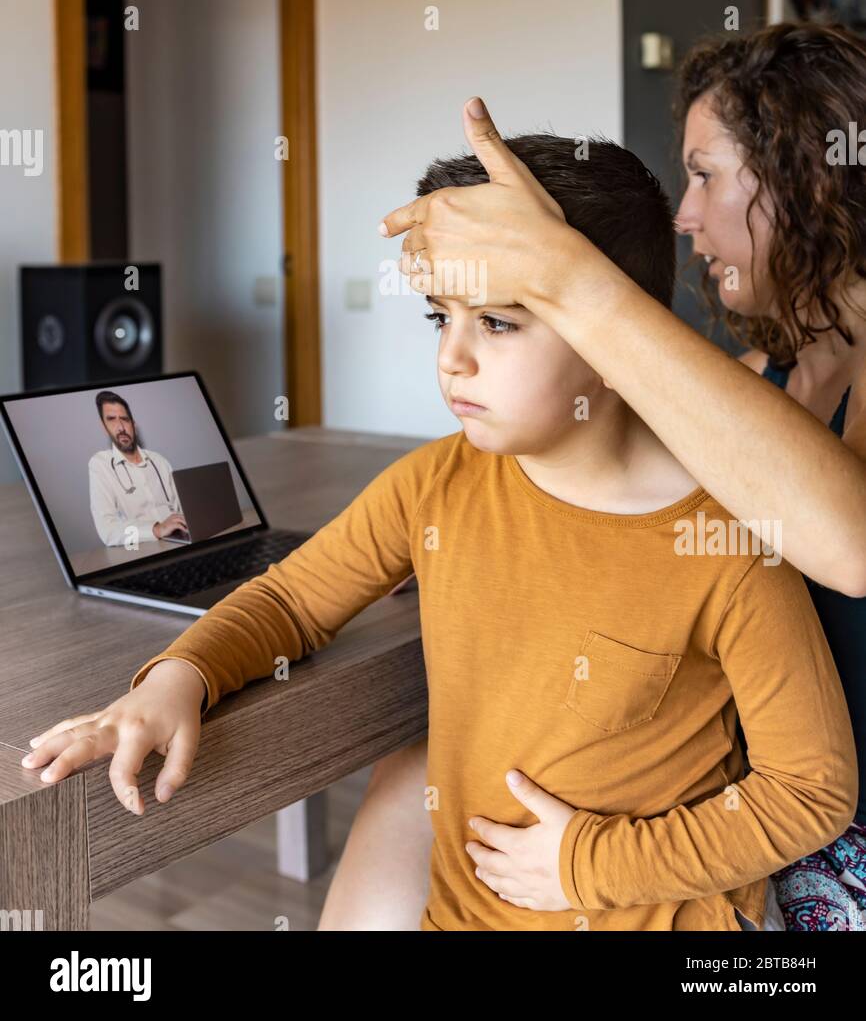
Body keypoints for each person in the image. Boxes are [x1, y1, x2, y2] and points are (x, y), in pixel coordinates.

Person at [21, 131, 856, 931]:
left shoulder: (729, 540)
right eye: (439, 318)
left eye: (495, 322)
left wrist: (589, 865)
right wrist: (178, 677)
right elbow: (291, 602)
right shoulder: (437, 484)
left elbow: (812, 790)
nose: (451, 358)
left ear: (615, 336)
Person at [351, 20, 866, 932]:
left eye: (705, 174)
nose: (685, 213)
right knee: (411, 784)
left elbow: (850, 540)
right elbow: (627, 479)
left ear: (809, 174)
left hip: (817, 834)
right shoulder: (762, 382)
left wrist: (567, 277)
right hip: (722, 807)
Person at [88, 390, 189, 544]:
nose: (121, 427)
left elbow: (183, 510)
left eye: (124, 419)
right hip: (140, 549)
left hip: (180, 541)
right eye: (112, 420)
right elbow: (108, 532)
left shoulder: (159, 461)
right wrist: (156, 530)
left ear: (133, 425)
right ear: (104, 426)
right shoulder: (100, 464)